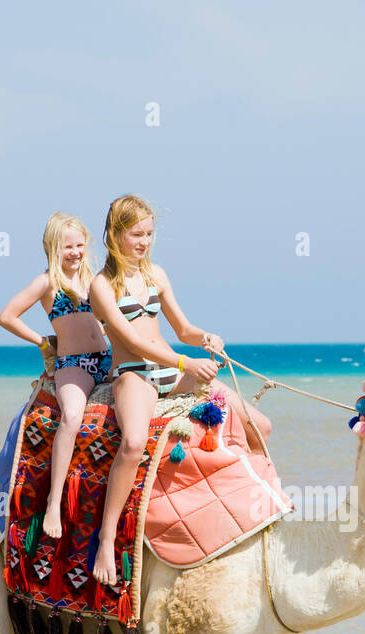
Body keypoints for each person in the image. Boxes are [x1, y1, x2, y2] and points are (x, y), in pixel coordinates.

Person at [87, 194, 272, 586]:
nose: (144, 242)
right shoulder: (101, 284)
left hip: (171, 367)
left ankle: (261, 510)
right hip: (134, 373)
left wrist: (206, 338)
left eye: (150, 234)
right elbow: (132, 342)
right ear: (115, 234)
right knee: (134, 443)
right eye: (136, 234)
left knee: (260, 425)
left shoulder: (158, 275)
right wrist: (187, 364)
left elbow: (182, 330)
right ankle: (105, 537)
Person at [0, 211, 112, 538]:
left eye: (79, 245)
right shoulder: (48, 281)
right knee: (72, 418)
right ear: (52, 248)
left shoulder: (96, 278)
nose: (74, 252)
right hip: (73, 363)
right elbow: (7, 316)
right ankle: (54, 502)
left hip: (106, 357)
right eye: (67, 247)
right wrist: (42, 340)